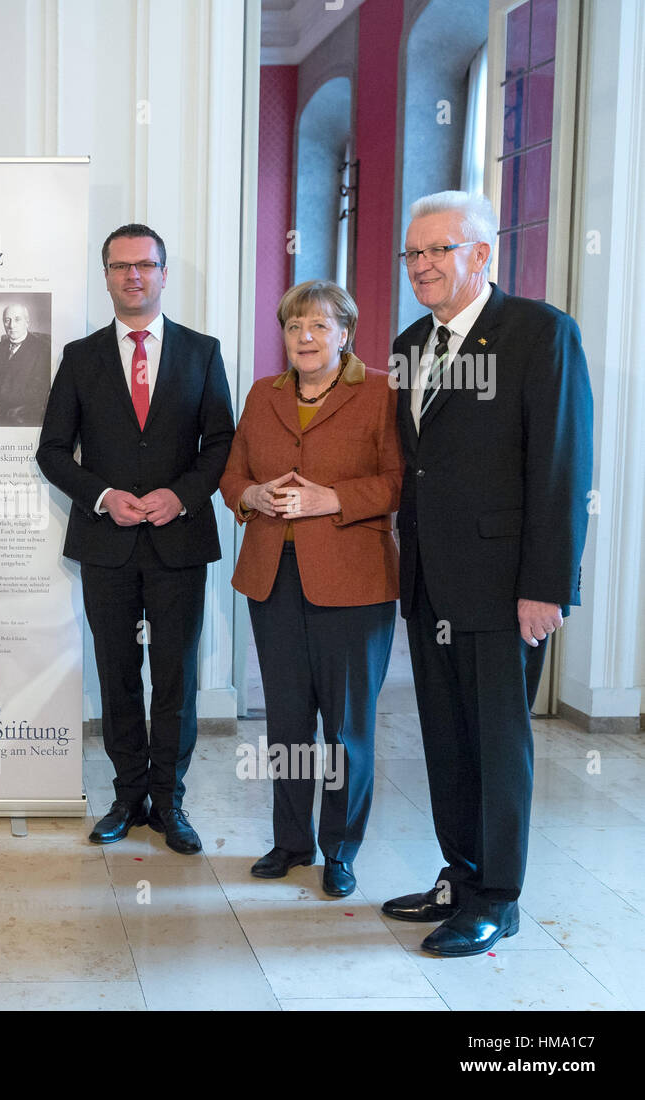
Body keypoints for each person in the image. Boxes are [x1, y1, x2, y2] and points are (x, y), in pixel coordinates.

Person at [382, 191, 592, 956]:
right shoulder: (410, 343)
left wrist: (547, 585)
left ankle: (496, 899)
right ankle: (460, 876)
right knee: (446, 740)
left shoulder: (540, 333)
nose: (423, 265)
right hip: (431, 581)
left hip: (508, 586)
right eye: (413, 253)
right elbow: (420, 466)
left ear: (482, 254)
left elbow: (563, 468)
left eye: (439, 250)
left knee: (498, 745)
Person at [37, 223, 235, 853]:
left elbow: (222, 443)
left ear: (164, 273)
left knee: (174, 675)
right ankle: (127, 796)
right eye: (121, 266)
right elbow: (51, 450)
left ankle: (170, 803)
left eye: (145, 265)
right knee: (118, 672)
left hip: (178, 540)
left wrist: (182, 494)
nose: (133, 276)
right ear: (107, 276)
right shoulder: (80, 356)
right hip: (107, 543)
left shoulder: (202, 352)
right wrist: (101, 496)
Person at [219, 281, 400, 898]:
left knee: (346, 727)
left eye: (319, 327)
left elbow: (402, 480)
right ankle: (291, 841)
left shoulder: (379, 391)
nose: (305, 338)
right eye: (295, 327)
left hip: (355, 584)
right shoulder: (261, 395)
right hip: (273, 578)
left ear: (345, 333)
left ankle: (340, 850)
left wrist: (334, 498)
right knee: (288, 723)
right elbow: (233, 472)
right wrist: (250, 495)